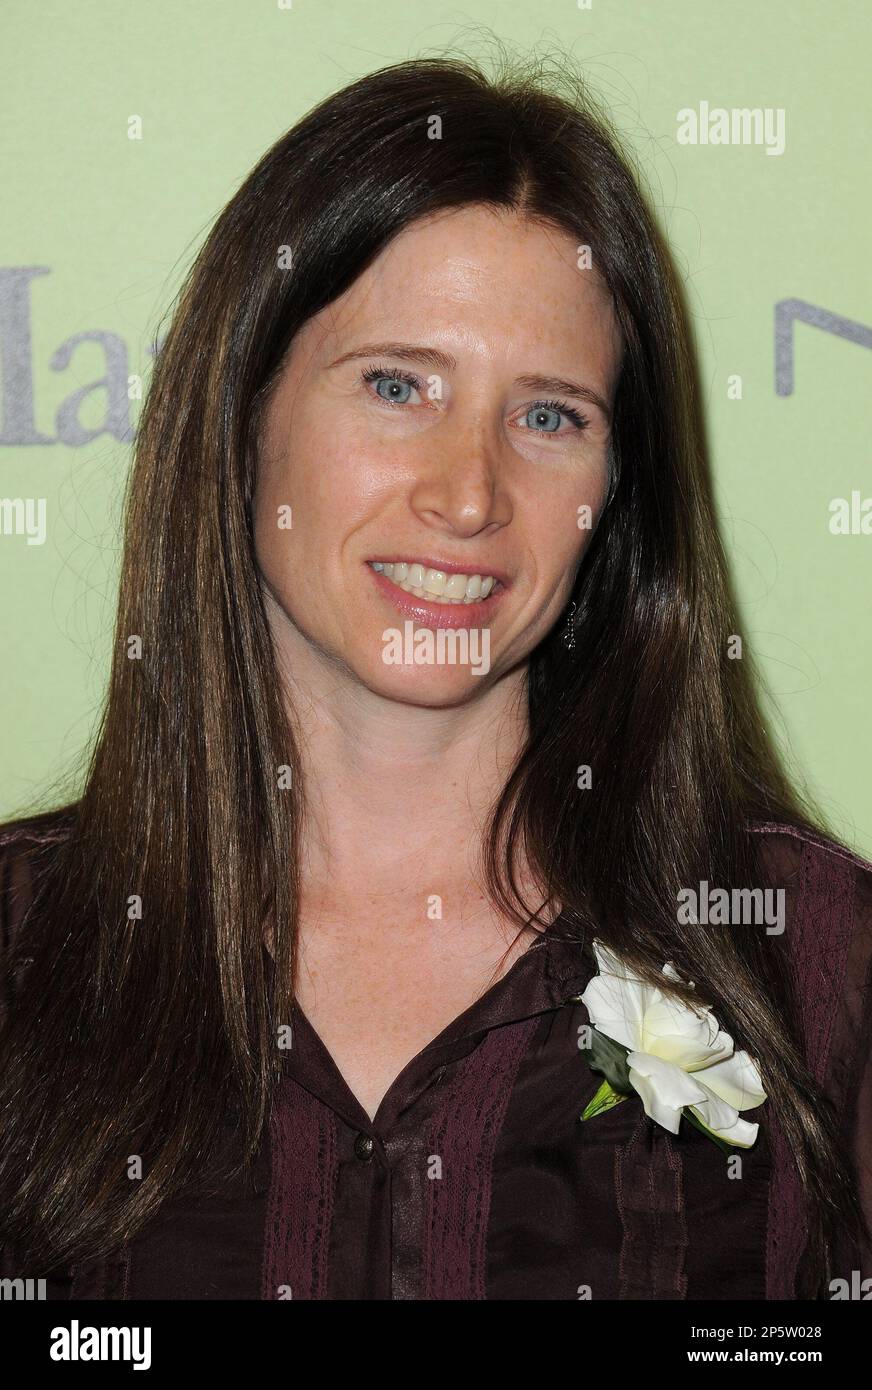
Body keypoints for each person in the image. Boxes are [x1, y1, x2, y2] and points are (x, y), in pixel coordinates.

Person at [1, 54, 869, 1302]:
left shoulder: (820, 962)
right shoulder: (23, 955)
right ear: (242, 420)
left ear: (613, 499)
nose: (467, 494)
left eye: (550, 417)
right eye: (397, 386)